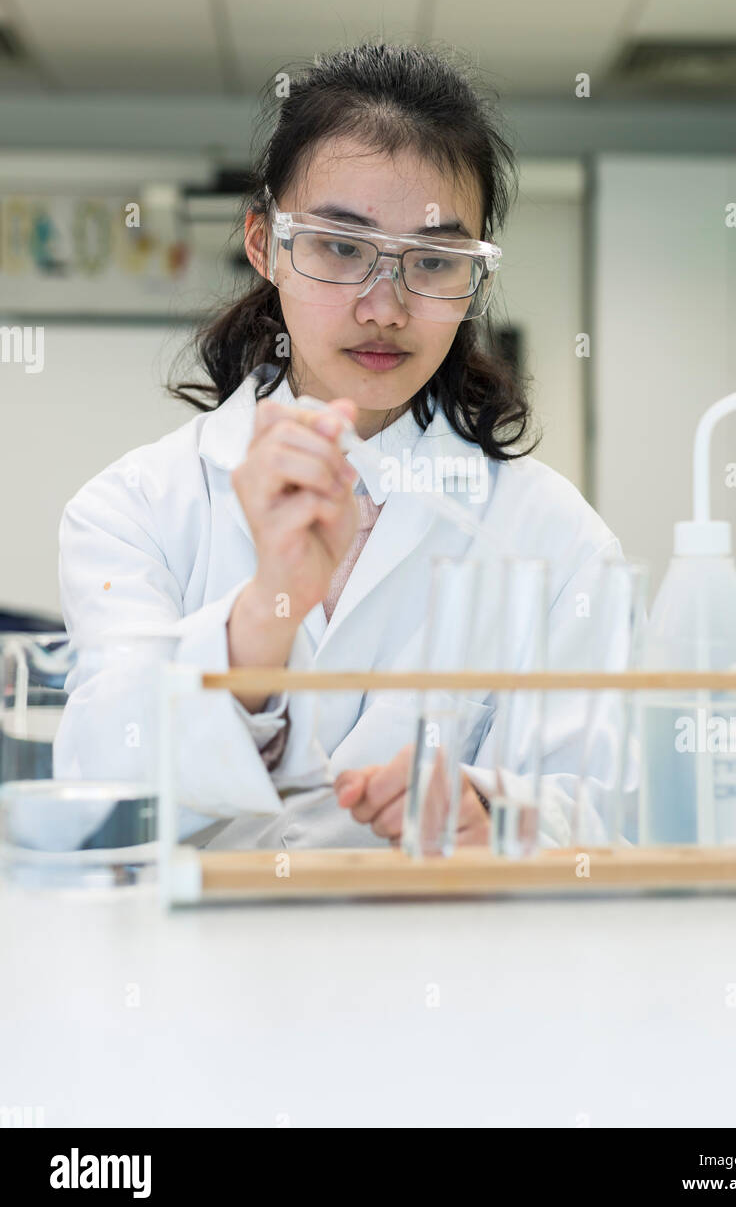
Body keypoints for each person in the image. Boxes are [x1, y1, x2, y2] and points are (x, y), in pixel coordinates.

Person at [56, 41, 623, 852]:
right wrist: (265, 612)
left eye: (432, 260)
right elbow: (102, 789)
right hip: (199, 971)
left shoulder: (554, 535)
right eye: (341, 247)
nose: (385, 306)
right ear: (265, 245)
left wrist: (499, 815)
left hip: (450, 963)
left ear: (475, 281)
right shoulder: (135, 509)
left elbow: (610, 810)